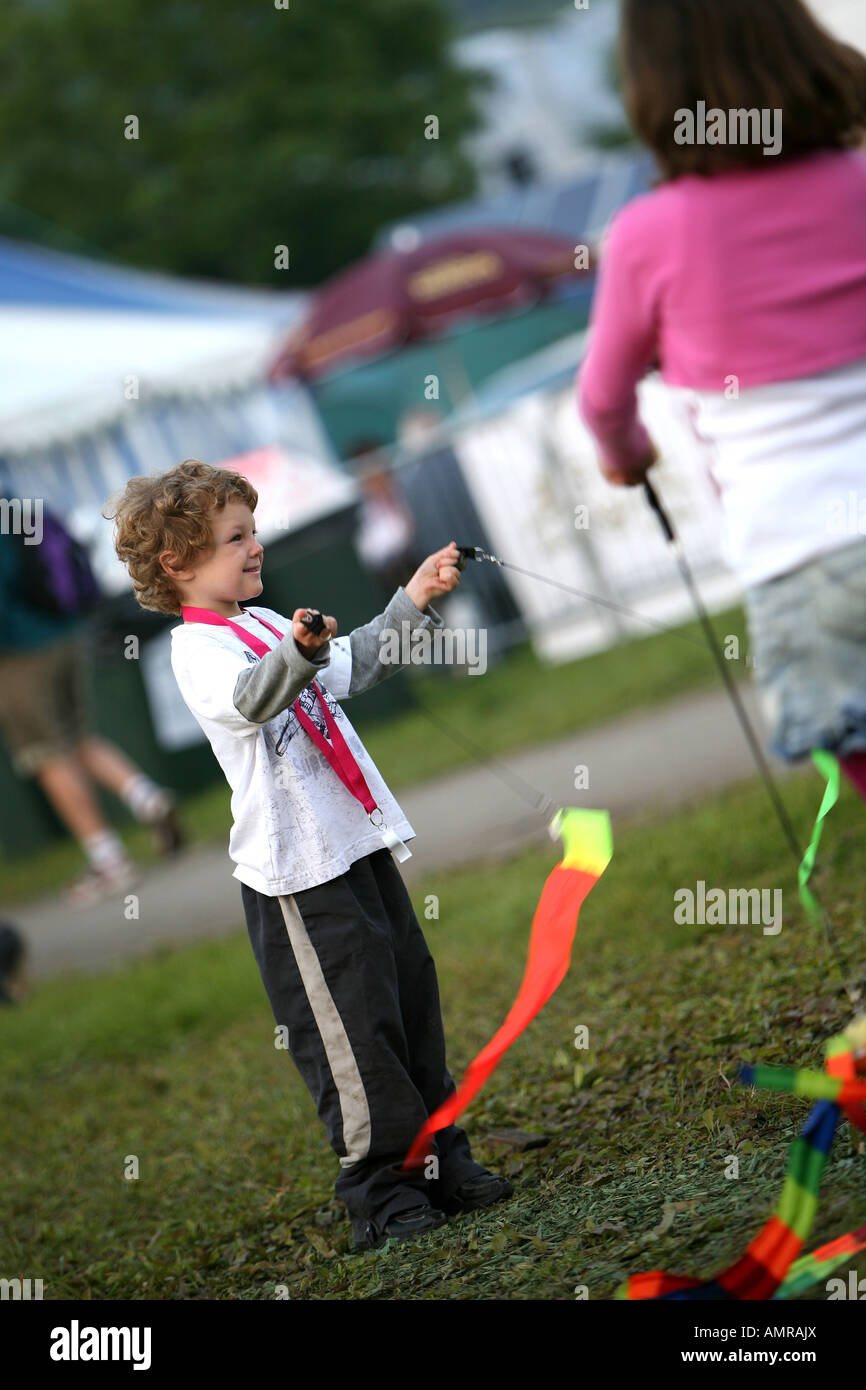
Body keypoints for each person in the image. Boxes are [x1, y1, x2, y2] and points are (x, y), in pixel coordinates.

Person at [103, 459, 512, 1251]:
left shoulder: (262, 624)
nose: (255, 547)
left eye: (253, 531)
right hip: (297, 879)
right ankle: (380, 1188)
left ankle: (439, 1158)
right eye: (234, 539)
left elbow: (348, 664)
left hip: (354, 850)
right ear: (177, 565)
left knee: (408, 1004)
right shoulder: (199, 650)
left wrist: (411, 602)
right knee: (354, 1036)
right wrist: (298, 649)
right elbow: (255, 699)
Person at [577, 0, 866, 806]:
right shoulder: (858, 181)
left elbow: (602, 398)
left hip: (803, 550)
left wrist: (627, 454)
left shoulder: (649, 233)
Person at [0, 520, 185, 907]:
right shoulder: (15, 501)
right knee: (79, 737)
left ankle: (108, 859)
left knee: (46, 754)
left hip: (19, 651)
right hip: (67, 634)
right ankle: (147, 799)